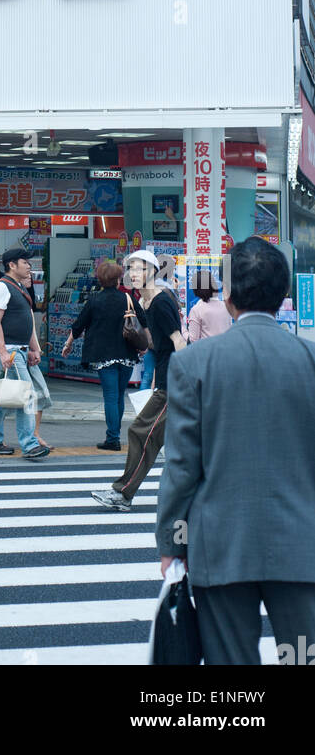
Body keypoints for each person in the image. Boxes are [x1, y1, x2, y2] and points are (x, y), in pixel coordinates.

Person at [156, 237, 315, 665]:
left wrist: (173, 541)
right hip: (303, 546)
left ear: (227, 296)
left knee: (231, 660)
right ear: (284, 297)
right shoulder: (310, 359)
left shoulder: (193, 364)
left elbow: (182, 467)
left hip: (220, 546)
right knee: (302, 657)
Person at [91, 249, 185, 510]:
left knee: (143, 433)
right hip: (166, 379)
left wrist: (184, 378)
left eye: (140, 268)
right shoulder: (143, 302)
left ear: (153, 271)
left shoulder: (161, 301)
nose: (134, 273)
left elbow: (178, 340)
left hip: (174, 382)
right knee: (162, 438)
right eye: (130, 268)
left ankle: (123, 493)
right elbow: (159, 343)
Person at [61, 259, 146, 451]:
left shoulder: (94, 300)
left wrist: (68, 344)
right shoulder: (127, 299)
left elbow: (79, 325)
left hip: (104, 355)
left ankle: (113, 438)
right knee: (119, 396)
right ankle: (114, 436)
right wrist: (145, 344)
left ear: (100, 280)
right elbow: (143, 320)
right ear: (118, 280)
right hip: (126, 353)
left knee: (110, 395)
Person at [0, 248, 49, 461]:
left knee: (6, 398)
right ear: (11, 265)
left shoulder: (19, 287)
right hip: (10, 351)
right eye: (24, 262)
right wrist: (2, 352)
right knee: (25, 394)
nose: (28, 265)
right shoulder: (1, 287)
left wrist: (34, 348)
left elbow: (26, 322)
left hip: (19, 350)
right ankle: (29, 444)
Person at [186, 269, 233, 341]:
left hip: (206, 351)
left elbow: (193, 340)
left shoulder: (197, 310)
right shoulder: (226, 306)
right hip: (225, 349)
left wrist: (183, 330)